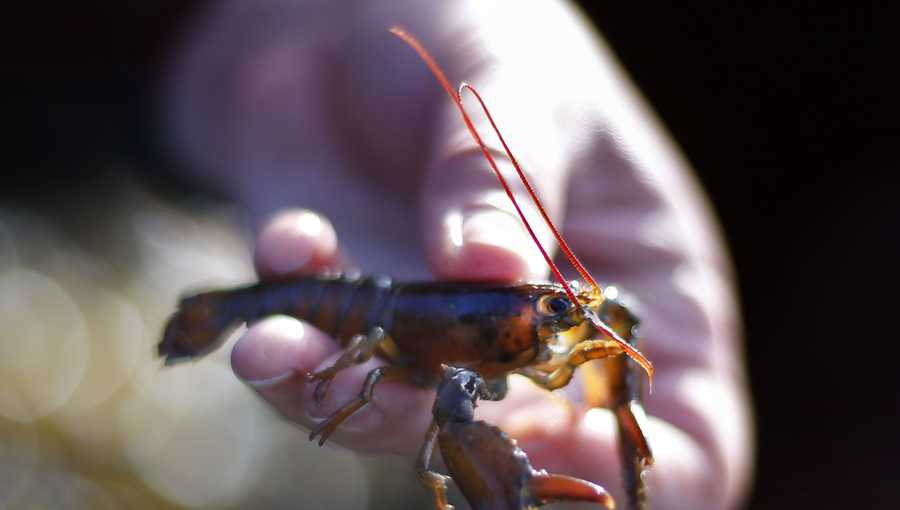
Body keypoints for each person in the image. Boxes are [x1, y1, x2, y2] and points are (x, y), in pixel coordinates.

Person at [166, 2, 752, 508]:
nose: (561, 314)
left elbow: (612, 313)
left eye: (554, 309)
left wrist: (618, 406)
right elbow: (444, 397)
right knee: (429, 400)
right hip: (357, 313)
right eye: (550, 308)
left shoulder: (534, 326)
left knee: (609, 312)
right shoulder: (469, 353)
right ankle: (216, 312)